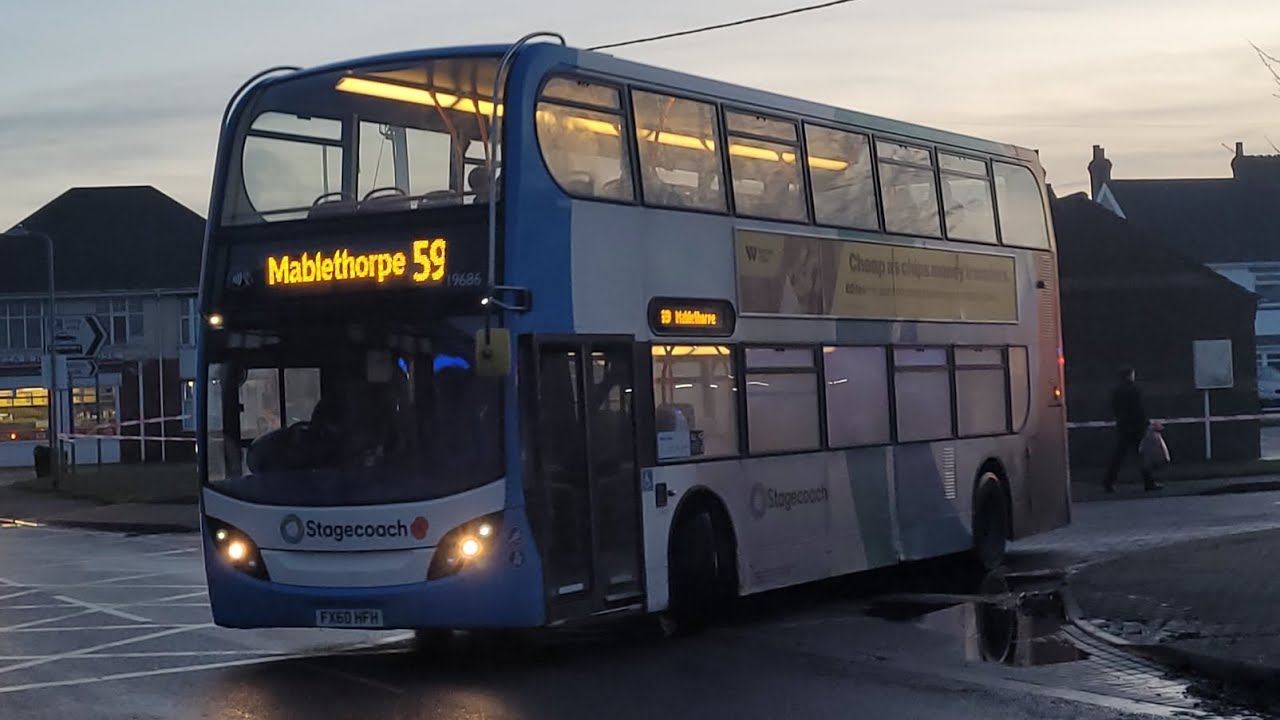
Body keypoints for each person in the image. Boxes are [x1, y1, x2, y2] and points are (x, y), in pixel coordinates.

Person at [1104, 366, 1162, 492]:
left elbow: (1114, 408)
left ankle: (1109, 482)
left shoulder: (1117, 391)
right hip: (1136, 427)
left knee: (1119, 456)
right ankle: (1149, 482)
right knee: (1142, 455)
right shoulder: (1135, 389)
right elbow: (1139, 409)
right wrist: (1147, 424)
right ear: (1130, 375)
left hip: (1124, 427)